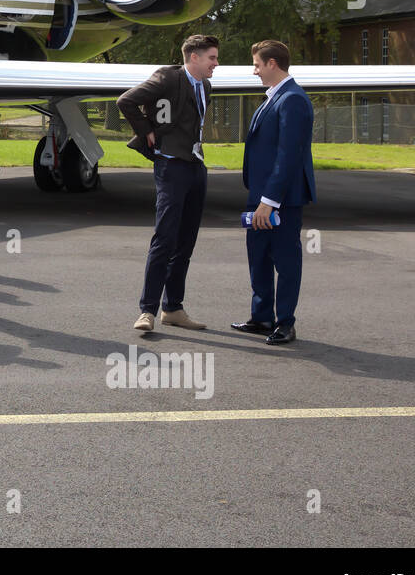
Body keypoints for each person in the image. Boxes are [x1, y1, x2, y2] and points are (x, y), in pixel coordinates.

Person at [116, 34, 219, 334]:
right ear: (194, 57)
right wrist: (146, 130)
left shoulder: (206, 86)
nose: (216, 63)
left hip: (196, 166)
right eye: (211, 57)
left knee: (186, 241)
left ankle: (173, 307)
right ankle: (147, 310)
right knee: (164, 239)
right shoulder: (168, 77)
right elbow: (127, 101)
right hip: (171, 166)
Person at [233, 39, 316, 346]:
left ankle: (285, 323)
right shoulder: (274, 97)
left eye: (256, 64)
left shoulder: (293, 99)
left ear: (271, 64)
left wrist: (269, 202)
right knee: (259, 257)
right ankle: (261, 317)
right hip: (260, 196)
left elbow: (288, 156)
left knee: (285, 260)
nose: (254, 71)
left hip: (280, 199)